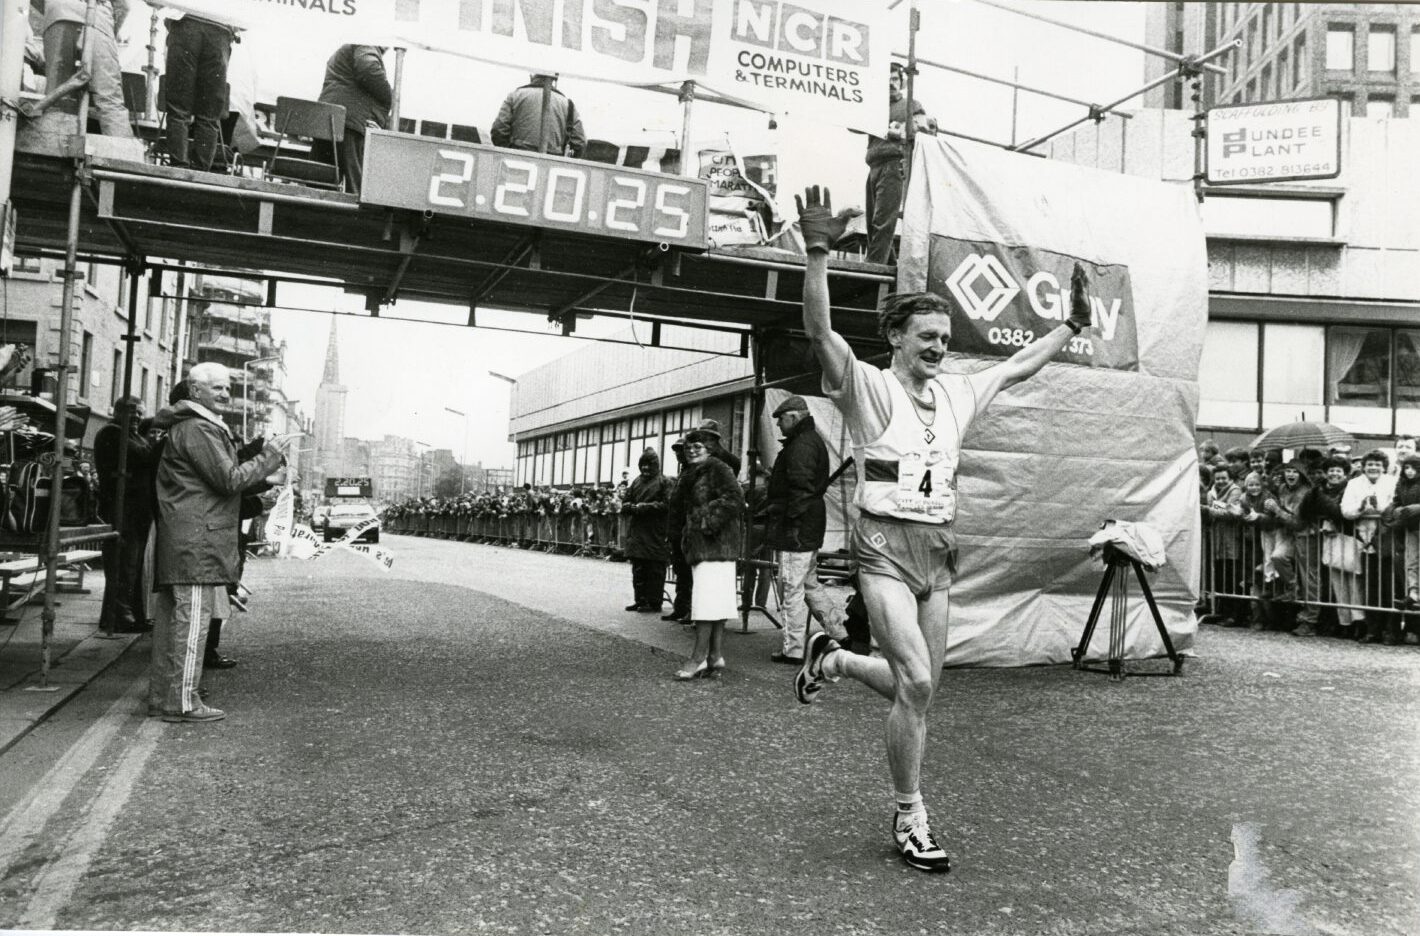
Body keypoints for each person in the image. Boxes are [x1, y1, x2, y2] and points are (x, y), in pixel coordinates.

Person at [790, 185, 1090, 874]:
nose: (939, 348)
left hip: (938, 550)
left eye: (946, 340)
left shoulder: (958, 391)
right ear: (897, 337)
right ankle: (910, 815)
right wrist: (816, 253)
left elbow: (1017, 364)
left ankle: (831, 660)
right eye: (927, 337)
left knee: (916, 687)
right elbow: (820, 333)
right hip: (882, 545)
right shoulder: (868, 387)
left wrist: (1069, 327)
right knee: (918, 684)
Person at [149, 363, 289, 723]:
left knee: (174, 626)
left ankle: (164, 696)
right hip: (198, 543)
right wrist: (269, 455)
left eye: (227, 388)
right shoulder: (199, 429)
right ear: (196, 391)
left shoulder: (193, 426)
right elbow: (228, 479)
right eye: (217, 388)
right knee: (191, 626)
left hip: (189, 540)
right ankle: (182, 702)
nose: (226, 394)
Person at [762, 394, 847, 664]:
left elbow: (801, 487)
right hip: (809, 525)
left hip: (796, 530)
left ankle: (793, 648)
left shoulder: (800, 445)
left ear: (794, 417)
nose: (778, 426)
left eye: (781, 420)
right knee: (810, 585)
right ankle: (841, 634)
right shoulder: (811, 441)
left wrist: (789, 520)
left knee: (791, 587)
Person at [667, 428, 745, 679]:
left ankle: (698, 658)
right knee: (716, 602)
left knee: (704, 603)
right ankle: (715, 655)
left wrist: (706, 522)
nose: (691, 451)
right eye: (688, 447)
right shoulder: (692, 472)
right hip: (706, 546)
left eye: (697, 446)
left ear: (710, 449)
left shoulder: (718, 468)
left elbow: (734, 498)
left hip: (715, 545)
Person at [94, 395, 155, 633]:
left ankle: (129, 613)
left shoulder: (134, 435)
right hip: (121, 510)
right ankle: (118, 615)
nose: (137, 416)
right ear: (118, 412)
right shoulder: (111, 433)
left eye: (140, 412)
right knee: (123, 565)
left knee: (134, 566)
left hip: (137, 512)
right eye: (132, 411)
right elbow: (144, 456)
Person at [863, 62, 934, 264]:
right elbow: (855, 125)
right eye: (887, 80)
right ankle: (889, 267)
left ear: (902, 82)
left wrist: (900, 131)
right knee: (872, 222)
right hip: (874, 164)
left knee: (883, 221)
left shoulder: (911, 104)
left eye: (895, 79)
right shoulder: (876, 108)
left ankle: (873, 267)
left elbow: (927, 131)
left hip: (895, 162)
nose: (891, 84)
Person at [37, 0, 133, 138]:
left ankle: (53, 150)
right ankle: (121, 155)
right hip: (97, 18)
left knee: (57, 98)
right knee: (109, 100)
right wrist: (109, 32)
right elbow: (124, 6)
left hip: (57, 13)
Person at [162, 12, 240, 170]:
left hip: (186, 22)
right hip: (220, 31)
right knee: (209, 115)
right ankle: (200, 174)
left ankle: (178, 170)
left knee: (178, 109)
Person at [316, 44, 392, 195]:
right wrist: (391, 98)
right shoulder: (366, 42)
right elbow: (368, 68)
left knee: (320, 181)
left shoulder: (350, 47)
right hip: (349, 122)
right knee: (355, 185)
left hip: (327, 118)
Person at [1341, 449, 1397, 644]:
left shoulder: (1392, 482)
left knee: (1390, 586)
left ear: (1384, 467)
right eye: (1369, 464)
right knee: (1370, 585)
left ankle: (1391, 630)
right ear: (1364, 467)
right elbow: (1346, 510)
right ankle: (1373, 629)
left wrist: (1379, 507)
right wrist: (1361, 508)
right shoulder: (1354, 483)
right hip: (1364, 540)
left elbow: (1395, 508)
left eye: (1377, 464)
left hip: (1388, 539)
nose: (1373, 467)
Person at [621, 448, 672, 613]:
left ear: (655, 465)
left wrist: (645, 507)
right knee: (638, 568)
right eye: (643, 465)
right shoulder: (636, 482)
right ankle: (640, 599)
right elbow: (627, 500)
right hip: (637, 531)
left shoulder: (664, 481)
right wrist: (627, 506)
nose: (645, 468)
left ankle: (654, 601)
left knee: (655, 569)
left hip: (655, 531)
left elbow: (667, 505)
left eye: (649, 465)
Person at [491, 74, 586, 158]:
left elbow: (498, 130)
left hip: (517, 160)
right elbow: (580, 142)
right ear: (555, 78)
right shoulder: (568, 104)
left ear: (532, 75)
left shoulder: (515, 96)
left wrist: (508, 154)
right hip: (552, 164)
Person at [662, 436, 694, 623]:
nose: (678, 454)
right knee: (680, 571)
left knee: (687, 572)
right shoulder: (683, 472)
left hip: (685, 529)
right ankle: (680, 608)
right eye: (676, 451)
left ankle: (688, 609)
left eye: (681, 450)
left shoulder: (692, 472)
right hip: (677, 529)